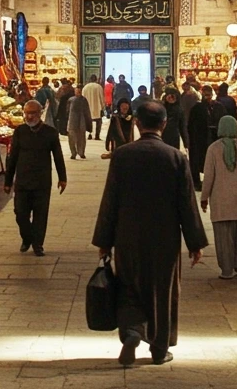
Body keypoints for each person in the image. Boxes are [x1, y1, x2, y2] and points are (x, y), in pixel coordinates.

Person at [92, 100, 207, 367]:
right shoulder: (176, 157)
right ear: (164, 125)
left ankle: (132, 334)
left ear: (137, 123)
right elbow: (186, 204)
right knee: (163, 290)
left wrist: (104, 241)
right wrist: (195, 242)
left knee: (130, 286)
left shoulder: (122, 155)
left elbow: (111, 200)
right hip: (165, 237)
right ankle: (159, 348)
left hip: (128, 236)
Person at [4, 100, 67, 255]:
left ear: (40, 114)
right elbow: (12, 157)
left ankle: (38, 244)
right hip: (22, 182)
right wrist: (7, 181)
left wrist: (62, 177)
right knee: (20, 214)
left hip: (42, 181)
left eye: (33, 113)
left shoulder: (50, 133)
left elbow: (58, 156)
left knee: (40, 215)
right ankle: (27, 238)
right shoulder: (20, 131)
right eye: (27, 113)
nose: (30, 116)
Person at [201, 115, 237, 278]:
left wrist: (204, 197)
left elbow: (209, 176)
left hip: (221, 198)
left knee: (223, 236)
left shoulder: (213, 148)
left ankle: (227, 270)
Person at [187, 86, 226, 191]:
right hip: (200, 139)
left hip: (214, 137)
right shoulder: (197, 108)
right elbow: (191, 125)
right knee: (198, 160)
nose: (207, 97)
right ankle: (197, 182)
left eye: (208, 95)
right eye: (205, 95)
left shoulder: (218, 107)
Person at [160, 87, 189, 152]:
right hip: (162, 136)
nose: (170, 99)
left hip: (174, 137)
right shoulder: (161, 108)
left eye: (172, 96)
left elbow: (182, 127)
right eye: (168, 96)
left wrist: (186, 143)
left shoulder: (179, 110)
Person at [67, 85, 92, 160]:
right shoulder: (70, 100)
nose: (78, 92)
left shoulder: (84, 100)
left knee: (81, 137)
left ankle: (81, 152)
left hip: (81, 121)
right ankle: (73, 153)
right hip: (72, 120)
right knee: (71, 137)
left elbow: (87, 112)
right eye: (77, 91)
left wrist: (88, 122)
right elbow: (67, 111)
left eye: (79, 91)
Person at [83, 75, 106, 140]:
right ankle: (97, 135)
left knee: (88, 122)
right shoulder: (98, 87)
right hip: (97, 107)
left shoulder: (85, 87)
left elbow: (83, 97)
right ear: (96, 79)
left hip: (87, 107)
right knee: (98, 122)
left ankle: (89, 134)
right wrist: (103, 106)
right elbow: (102, 97)